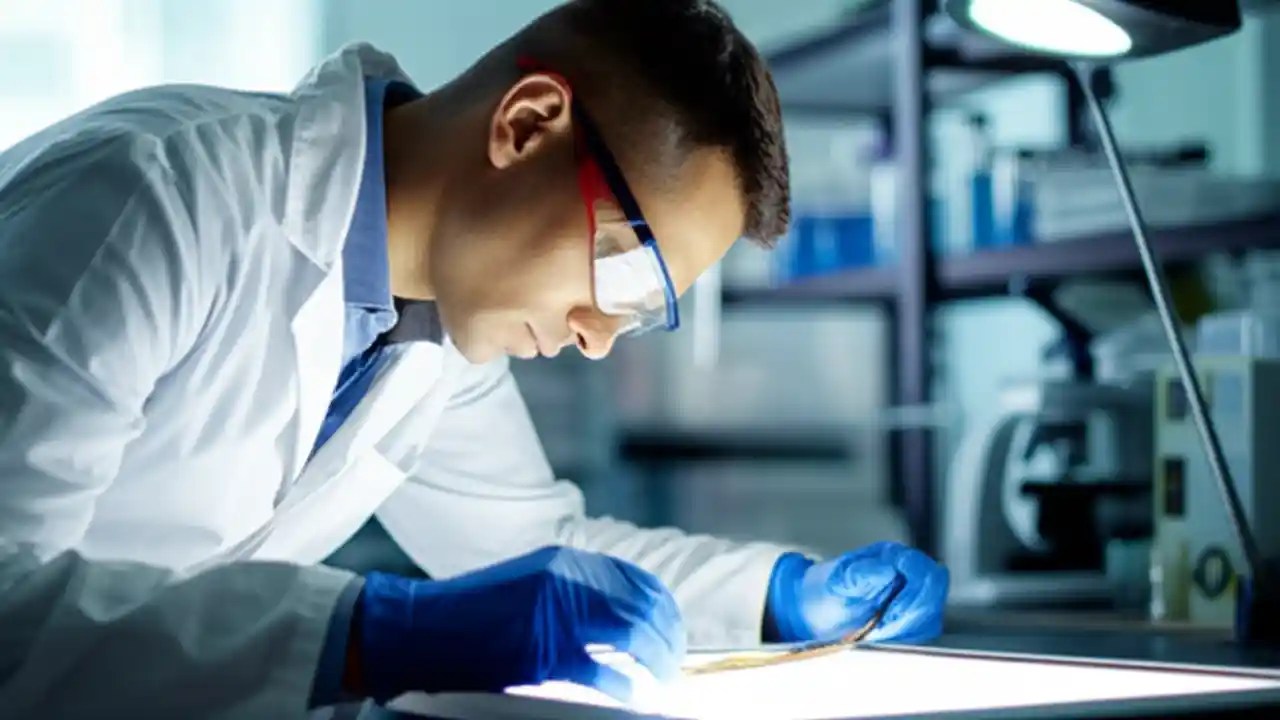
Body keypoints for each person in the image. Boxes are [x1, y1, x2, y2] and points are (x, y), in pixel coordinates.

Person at [0, 0, 948, 716]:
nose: (597, 335)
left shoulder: (433, 338)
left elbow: (544, 560)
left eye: (644, 315)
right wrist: (363, 633)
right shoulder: (150, 199)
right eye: (623, 277)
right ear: (528, 123)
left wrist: (783, 594)